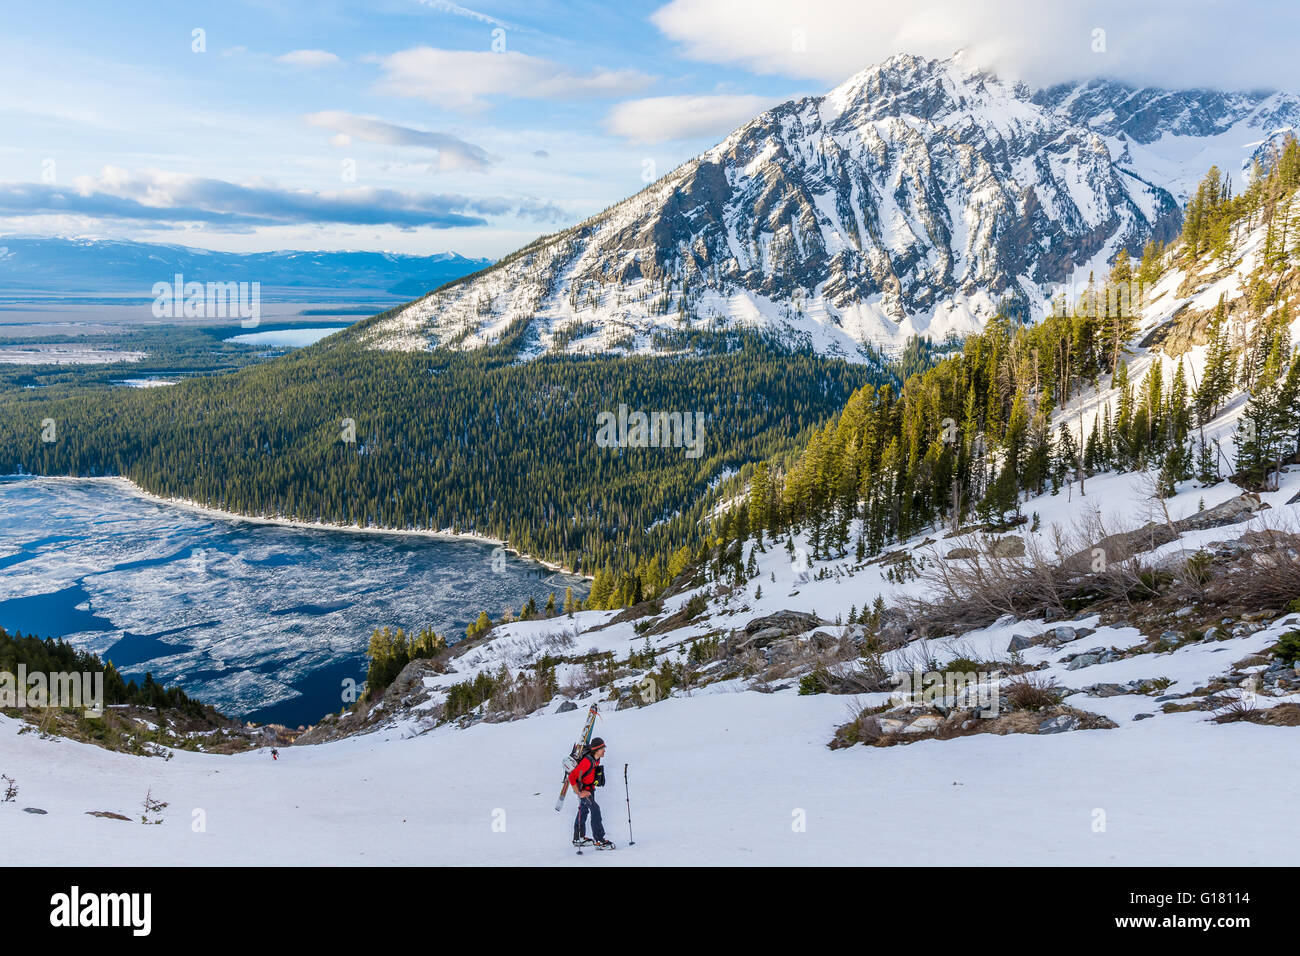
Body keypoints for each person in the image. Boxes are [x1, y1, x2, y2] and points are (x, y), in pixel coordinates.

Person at [569, 737, 614, 849]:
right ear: (597, 749)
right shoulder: (587, 762)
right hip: (584, 791)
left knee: (583, 811)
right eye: (603, 748)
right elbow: (572, 777)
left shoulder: (597, 759)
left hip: (590, 789)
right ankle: (599, 840)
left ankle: (578, 837)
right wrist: (579, 793)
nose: (605, 750)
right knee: (595, 809)